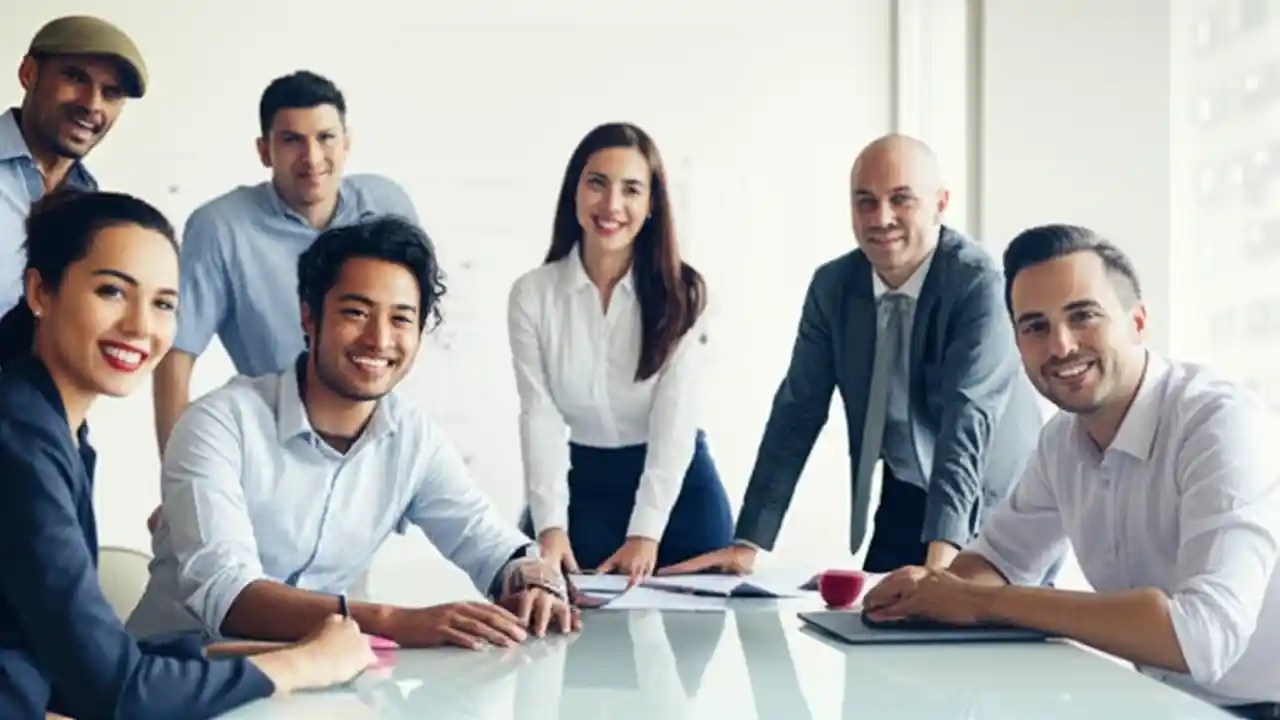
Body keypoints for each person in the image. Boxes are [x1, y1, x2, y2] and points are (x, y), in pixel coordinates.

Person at [863, 224, 1280, 717]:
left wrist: (982, 603)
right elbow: (998, 561)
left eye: (1083, 316)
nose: (1060, 346)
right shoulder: (1062, 439)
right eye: (1034, 326)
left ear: (1138, 322)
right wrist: (929, 592)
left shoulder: (1220, 424)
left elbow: (1203, 639)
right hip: (1164, 703)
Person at [0, 190, 374, 719]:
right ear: (41, 290)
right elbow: (116, 691)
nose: (140, 326)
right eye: (112, 291)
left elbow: (82, 662)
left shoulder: (52, 427)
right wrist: (302, 666)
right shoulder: (19, 438)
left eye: (163, 304)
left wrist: (254, 656)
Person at [128, 215, 580, 650]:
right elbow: (226, 593)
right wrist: (394, 622)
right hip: (179, 678)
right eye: (356, 312)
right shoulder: (219, 424)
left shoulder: (410, 438)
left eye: (401, 318)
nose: (379, 340)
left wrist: (534, 581)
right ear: (308, 317)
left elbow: (486, 541)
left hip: (312, 684)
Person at [666, 134, 1040, 577]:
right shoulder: (833, 287)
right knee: (877, 624)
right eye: (865, 201)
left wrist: (940, 566)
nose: (881, 218)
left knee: (978, 634)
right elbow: (797, 410)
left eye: (901, 199)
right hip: (908, 488)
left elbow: (967, 418)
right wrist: (748, 541)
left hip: (1000, 492)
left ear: (941, 202)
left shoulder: (978, 284)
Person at [508, 122, 732, 585]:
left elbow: (675, 420)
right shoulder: (533, 295)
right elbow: (540, 415)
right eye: (597, 184)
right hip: (581, 492)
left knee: (693, 647)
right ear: (574, 192)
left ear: (651, 205)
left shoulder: (683, 293)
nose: (611, 205)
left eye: (631, 189)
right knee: (559, 638)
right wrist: (550, 525)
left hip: (679, 496)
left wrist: (646, 532)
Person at [151, 69, 420, 453]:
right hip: (275, 448)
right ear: (264, 150)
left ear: (346, 143)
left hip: (381, 438)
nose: (312, 158)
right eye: (292, 140)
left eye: (326, 137)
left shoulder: (388, 205)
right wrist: (176, 477)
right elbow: (176, 355)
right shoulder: (220, 228)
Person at [2, 15, 146, 317]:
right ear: (29, 73)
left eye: (111, 93)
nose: (92, 104)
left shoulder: (93, 208)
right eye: (76, 78)